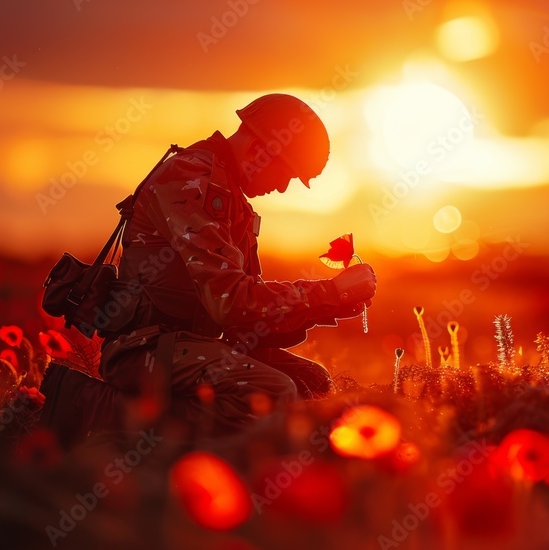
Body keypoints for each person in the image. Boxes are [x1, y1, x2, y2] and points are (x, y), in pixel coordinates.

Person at [96, 93, 376, 434]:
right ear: (261, 150)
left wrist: (331, 302)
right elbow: (231, 302)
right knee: (273, 391)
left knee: (310, 381)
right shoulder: (191, 180)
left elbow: (246, 319)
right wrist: (329, 291)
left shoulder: (226, 192)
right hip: (143, 351)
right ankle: (130, 429)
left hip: (189, 345)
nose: (283, 188)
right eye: (287, 174)